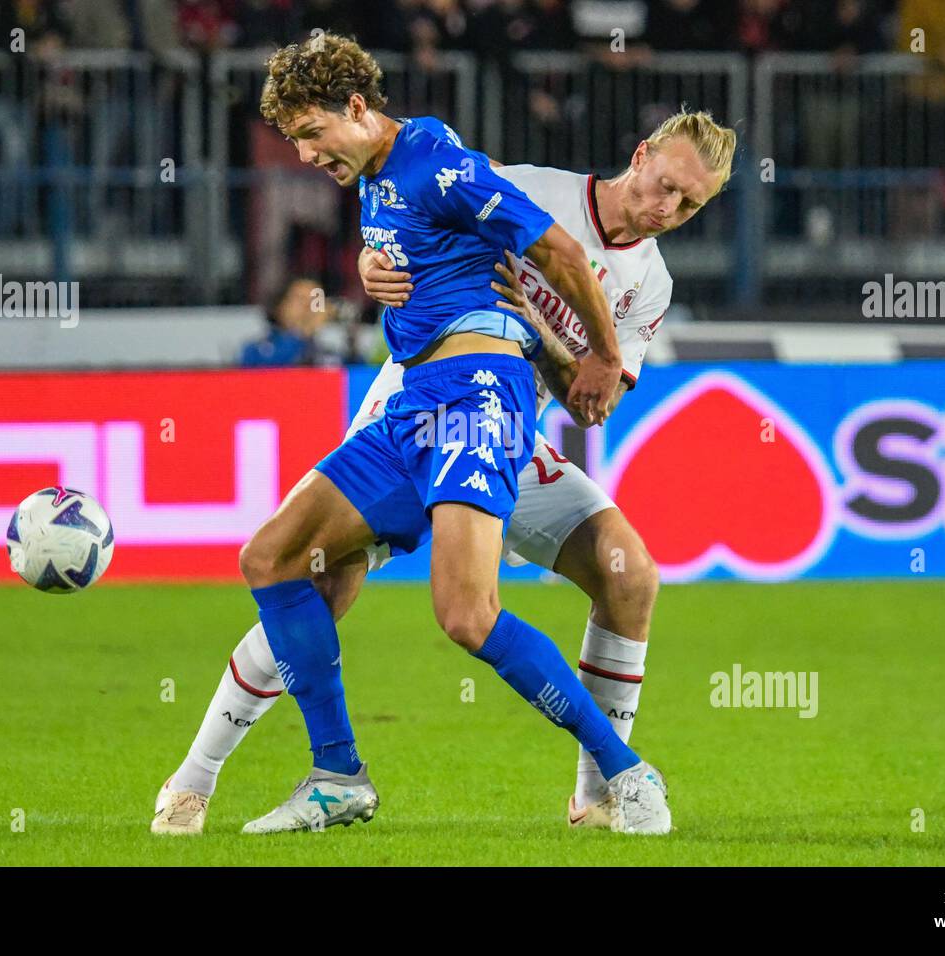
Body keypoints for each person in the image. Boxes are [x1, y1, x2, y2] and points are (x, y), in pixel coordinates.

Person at [154, 30, 670, 837]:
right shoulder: (381, 173)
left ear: (356, 108)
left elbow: (560, 248)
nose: (303, 153)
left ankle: (626, 773)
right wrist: (367, 267)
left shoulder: (436, 160)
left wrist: (603, 352)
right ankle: (337, 775)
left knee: (467, 615)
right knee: (272, 557)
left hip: (476, 399)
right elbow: (422, 244)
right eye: (292, 141)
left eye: (311, 133)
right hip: (412, 404)